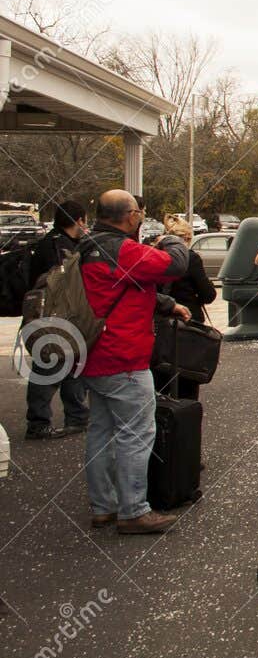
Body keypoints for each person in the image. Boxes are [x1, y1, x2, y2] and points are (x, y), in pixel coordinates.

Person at [79, 190, 190, 534]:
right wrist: (173, 240)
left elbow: (120, 288)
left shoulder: (87, 246)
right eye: (139, 213)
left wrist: (165, 303)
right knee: (136, 432)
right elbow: (175, 264)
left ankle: (104, 507)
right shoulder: (122, 249)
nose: (141, 217)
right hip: (123, 355)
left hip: (93, 351)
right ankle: (133, 511)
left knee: (100, 430)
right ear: (129, 216)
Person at [22, 200, 90, 440]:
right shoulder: (61, 248)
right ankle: (40, 422)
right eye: (85, 220)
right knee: (51, 369)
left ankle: (76, 416)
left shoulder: (49, 243)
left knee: (69, 366)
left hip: (50, 317)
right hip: (55, 319)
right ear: (79, 221)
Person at [152, 214, 217, 402]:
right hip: (188, 326)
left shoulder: (155, 256)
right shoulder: (191, 258)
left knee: (160, 381)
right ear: (187, 238)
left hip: (160, 325)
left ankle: (161, 422)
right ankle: (183, 422)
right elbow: (208, 295)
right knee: (187, 380)